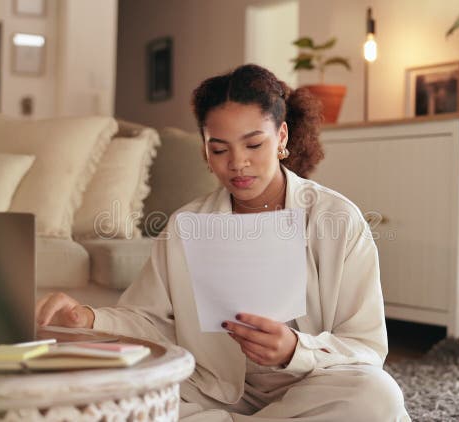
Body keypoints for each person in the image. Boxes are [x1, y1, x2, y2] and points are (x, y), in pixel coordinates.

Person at [36, 64, 410, 421]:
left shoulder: (338, 219)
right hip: (209, 390)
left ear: (281, 137)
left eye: (253, 145)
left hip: (314, 385)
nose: (237, 163)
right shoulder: (186, 226)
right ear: (204, 148)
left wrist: (296, 350)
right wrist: (89, 317)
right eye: (220, 149)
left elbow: (365, 346)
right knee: (115, 392)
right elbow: (148, 319)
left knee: (377, 397)